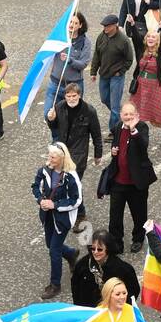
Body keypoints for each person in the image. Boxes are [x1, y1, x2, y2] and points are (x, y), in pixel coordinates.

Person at [32, 142, 81, 299]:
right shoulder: (45, 170)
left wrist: (55, 205)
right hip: (47, 216)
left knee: (54, 249)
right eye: (49, 156)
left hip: (62, 218)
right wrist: (41, 201)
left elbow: (77, 200)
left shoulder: (71, 176)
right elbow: (35, 187)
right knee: (50, 244)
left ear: (61, 158)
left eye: (53, 157)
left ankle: (55, 285)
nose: (49, 159)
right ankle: (72, 254)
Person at [107, 101, 157, 254]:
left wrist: (133, 129)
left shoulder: (141, 127)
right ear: (121, 115)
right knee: (115, 216)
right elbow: (117, 146)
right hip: (118, 181)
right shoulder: (117, 128)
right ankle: (116, 242)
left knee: (139, 214)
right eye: (125, 114)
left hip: (136, 182)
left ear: (137, 115)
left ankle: (138, 239)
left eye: (131, 114)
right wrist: (113, 151)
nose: (128, 117)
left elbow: (143, 148)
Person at [48, 80, 101, 222]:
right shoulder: (59, 107)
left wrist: (98, 154)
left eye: (74, 96)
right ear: (65, 96)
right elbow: (54, 127)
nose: (71, 99)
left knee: (73, 182)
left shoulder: (89, 111)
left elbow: (96, 133)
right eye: (68, 96)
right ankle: (66, 207)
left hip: (79, 153)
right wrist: (51, 119)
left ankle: (80, 214)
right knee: (61, 181)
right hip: (62, 150)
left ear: (79, 95)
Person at [71, 226, 140, 307]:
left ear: (108, 249)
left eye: (100, 249)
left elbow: (133, 292)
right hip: (89, 312)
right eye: (93, 249)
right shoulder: (82, 265)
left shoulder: (123, 269)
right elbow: (75, 288)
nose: (95, 252)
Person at [90, 13, 134, 137]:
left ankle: (114, 131)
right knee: (104, 99)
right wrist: (93, 72)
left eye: (108, 26)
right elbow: (97, 55)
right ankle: (123, 114)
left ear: (115, 25)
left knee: (114, 105)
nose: (105, 28)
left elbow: (129, 59)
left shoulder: (123, 40)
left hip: (116, 76)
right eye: (104, 26)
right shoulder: (101, 37)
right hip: (104, 74)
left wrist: (120, 71)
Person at [42, 11, 92, 120]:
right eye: (70, 22)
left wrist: (70, 60)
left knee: (73, 118)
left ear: (80, 25)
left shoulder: (85, 43)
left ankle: (67, 137)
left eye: (75, 23)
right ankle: (57, 138)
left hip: (74, 86)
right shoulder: (59, 38)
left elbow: (83, 64)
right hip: (55, 84)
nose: (71, 25)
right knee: (49, 115)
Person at [130, 29, 161, 143]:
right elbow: (136, 39)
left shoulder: (160, 52)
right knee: (134, 113)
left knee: (154, 121)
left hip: (153, 87)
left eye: (153, 37)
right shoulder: (142, 50)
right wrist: (133, 24)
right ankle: (135, 138)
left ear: (157, 40)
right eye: (148, 36)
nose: (150, 39)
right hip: (141, 87)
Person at [118, 0, 161, 64]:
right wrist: (121, 25)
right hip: (134, 24)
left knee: (146, 49)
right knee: (138, 50)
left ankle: (146, 70)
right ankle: (139, 73)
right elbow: (124, 8)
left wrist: (149, 2)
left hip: (146, 25)